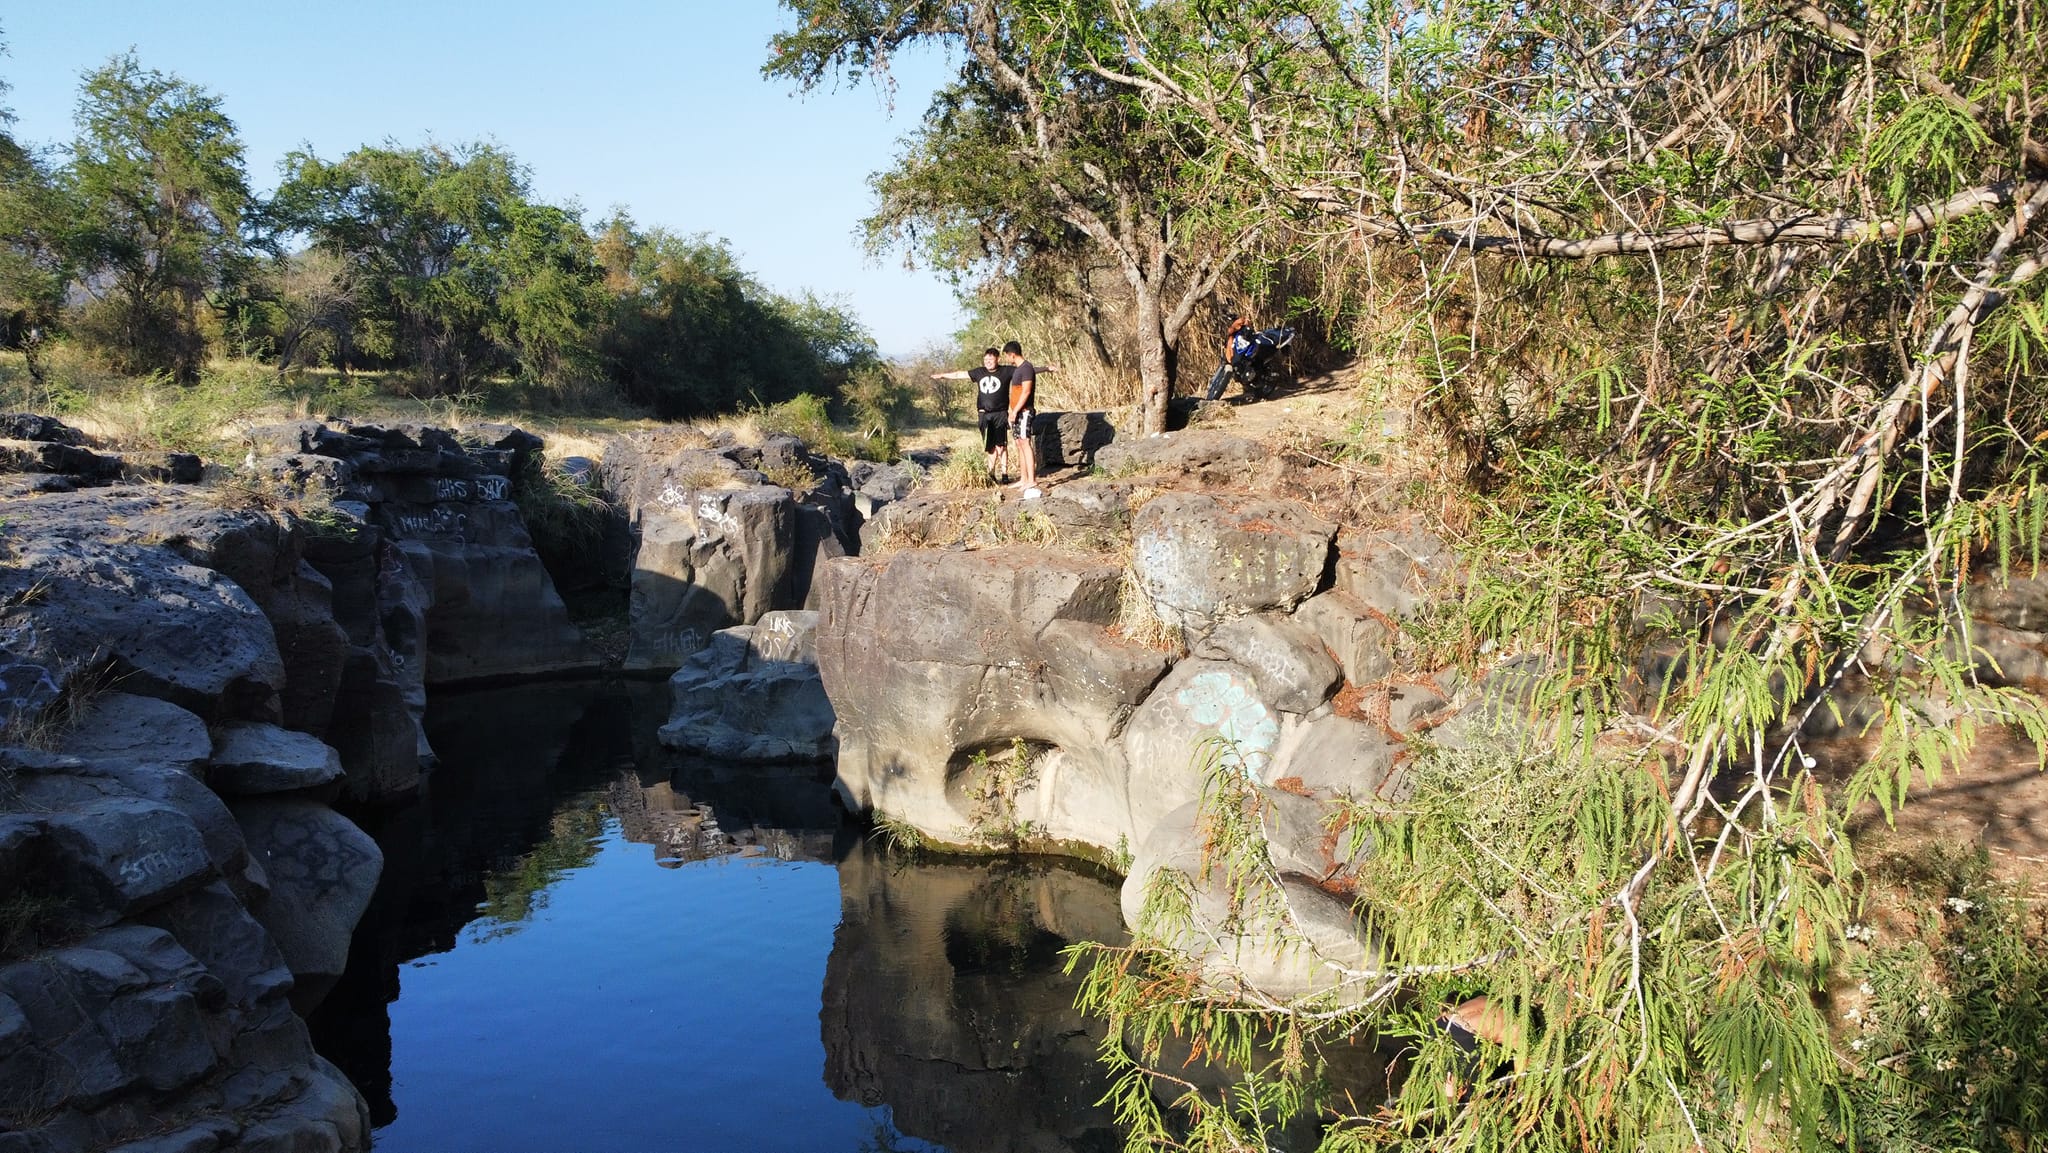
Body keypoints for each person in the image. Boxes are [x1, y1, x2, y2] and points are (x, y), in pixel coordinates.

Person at [931, 348, 1012, 481]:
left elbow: (1026, 370)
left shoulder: (1006, 371)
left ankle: (1005, 474)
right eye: (986, 360)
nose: (988, 362)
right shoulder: (979, 372)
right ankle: (991, 474)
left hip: (1000, 413)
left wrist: (1046, 368)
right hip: (984, 414)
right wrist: (942, 375)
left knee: (1001, 445)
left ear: (998, 359)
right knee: (990, 446)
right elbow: (959, 375)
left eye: (991, 360)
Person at [1001, 340, 1051, 498]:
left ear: (1012, 354)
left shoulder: (1026, 368)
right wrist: (1011, 411)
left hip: (1024, 411)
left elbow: (1026, 392)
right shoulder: (1019, 369)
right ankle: (1024, 478)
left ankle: (1032, 479)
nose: (1007, 359)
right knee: (1019, 443)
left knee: (1025, 441)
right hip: (1016, 412)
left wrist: (1015, 410)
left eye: (1007, 356)